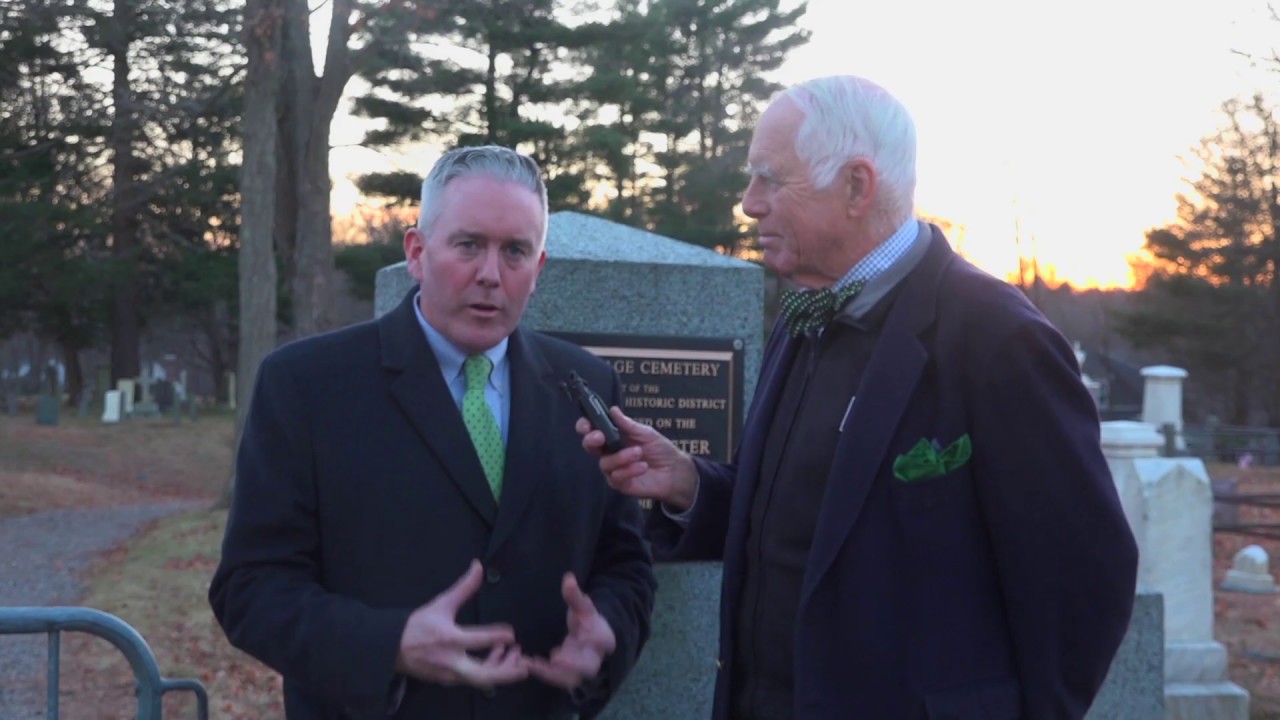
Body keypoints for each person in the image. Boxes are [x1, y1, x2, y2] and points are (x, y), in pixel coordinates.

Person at [581, 76, 1139, 719]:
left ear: (856, 186)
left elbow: (1084, 582)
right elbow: (820, 522)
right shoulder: (803, 316)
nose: (748, 204)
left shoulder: (997, 339)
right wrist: (688, 484)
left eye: (770, 179)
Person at [211, 145, 656, 720]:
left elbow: (626, 564)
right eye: (468, 245)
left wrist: (607, 633)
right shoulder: (306, 386)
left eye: (515, 252)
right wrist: (389, 643)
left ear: (538, 269)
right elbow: (249, 588)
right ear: (418, 252)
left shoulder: (588, 385)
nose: (490, 275)